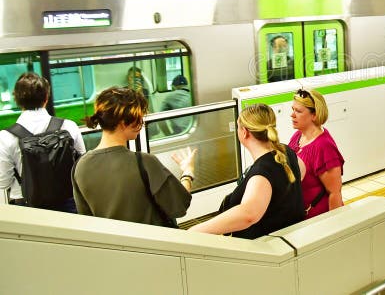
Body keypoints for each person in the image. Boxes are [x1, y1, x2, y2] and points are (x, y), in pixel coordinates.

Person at [72, 87, 194, 227]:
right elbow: (179, 206)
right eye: (139, 119)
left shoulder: (79, 166)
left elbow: (87, 219)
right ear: (124, 123)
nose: (141, 125)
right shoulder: (144, 162)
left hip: (113, 246)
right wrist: (188, 173)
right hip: (152, 244)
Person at [190, 104, 305, 238]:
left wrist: (193, 232)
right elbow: (301, 171)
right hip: (289, 236)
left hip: (264, 247)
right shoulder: (286, 151)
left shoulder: (261, 173)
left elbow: (248, 215)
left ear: (244, 132)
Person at [0, 72, 85, 212]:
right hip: (67, 200)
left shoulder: (5, 137)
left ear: (17, 100)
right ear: (46, 97)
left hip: (27, 207)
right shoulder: (68, 126)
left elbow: (3, 182)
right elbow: (81, 164)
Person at [288, 88, 345, 218]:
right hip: (300, 216)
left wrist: (334, 226)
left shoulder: (324, 147)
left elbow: (335, 193)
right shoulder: (297, 136)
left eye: (298, 111)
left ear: (314, 115)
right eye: (293, 109)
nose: (292, 115)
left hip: (317, 219)